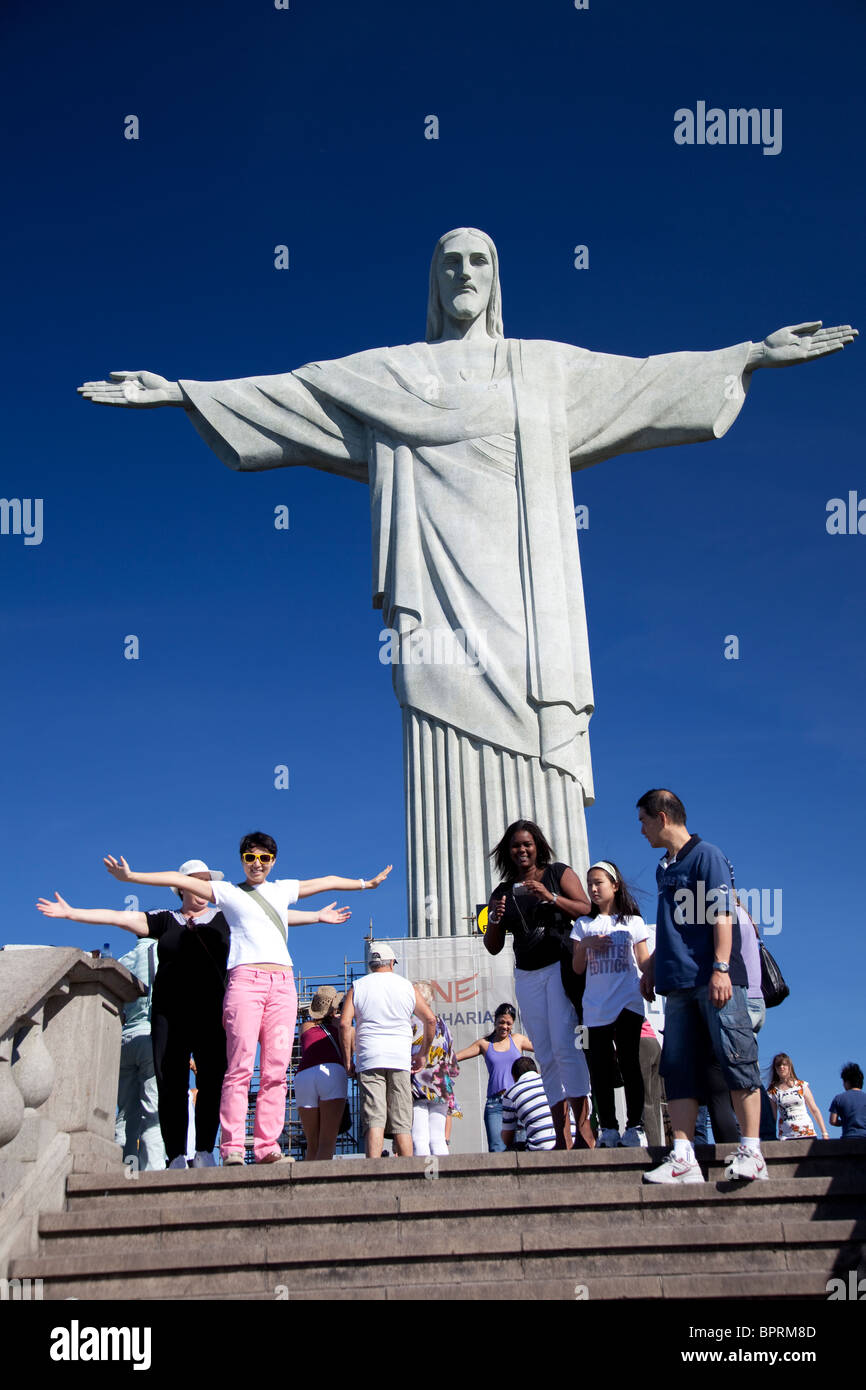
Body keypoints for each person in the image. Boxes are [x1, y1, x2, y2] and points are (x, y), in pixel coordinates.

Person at [77, 230, 855, 941]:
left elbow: (645, 384)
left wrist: (747, 354)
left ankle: (544, 928)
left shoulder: (542, 368)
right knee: (440, 717)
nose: (464, 275)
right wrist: (184, 391)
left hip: (529, 594)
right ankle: (453, 926)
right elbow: (294, 394)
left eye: (479, 260)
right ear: (432, 281)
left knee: (536, 720)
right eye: (449, 262)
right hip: (435, 591)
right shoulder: (394, 375)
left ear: (497, 278)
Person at [103, 836, 391, 1164]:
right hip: (245, 982)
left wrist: (365, 884)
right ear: (241, 859)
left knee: (276, 1071)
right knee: (239, 1068)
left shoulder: (282, 890)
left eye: (265, 857)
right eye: (250, 856)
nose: (257, 862)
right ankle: (232, 1148)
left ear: (273, 861)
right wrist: (132, 877)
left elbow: (323, 882)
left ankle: (267, 1147)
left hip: (282, 983)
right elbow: (175, 878)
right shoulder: (229, 893)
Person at [38, 858, 229, 1170]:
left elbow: (269, 914)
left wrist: (316, 916)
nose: (203, 886)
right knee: (170, 1081)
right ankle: (177, 1155)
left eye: (207, 880)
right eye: (196, 880)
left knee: (212, 1079)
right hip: (170, 1012)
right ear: (180, 888)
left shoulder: (226, 916)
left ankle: (206, 1150)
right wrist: (71, 913)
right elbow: (117, 918)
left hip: (211, 1011)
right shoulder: (165, 919)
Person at [636, 789, 766, 1183]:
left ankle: (753, 1152)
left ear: (661, 817)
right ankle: (683, 1157)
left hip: (713, 978)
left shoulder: (706, 854)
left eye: (642, 821)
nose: (640, 830)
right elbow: (674, 925)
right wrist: (652, 967)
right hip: (676, 985)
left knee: (736, 1058)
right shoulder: (663, 868)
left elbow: (722, 913)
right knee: (677, 1069)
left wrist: (722, 967)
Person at [484, 820, 594, 1150]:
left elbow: (588, 909)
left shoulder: (557, 873)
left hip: (560, 967)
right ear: (508, 851)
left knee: (565, 1046)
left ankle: (584, 1131)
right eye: (516, 845)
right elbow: (492, 945)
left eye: (527, 844)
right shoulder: (502, 892)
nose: (522, 850)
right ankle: (561, 1135)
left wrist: (551, 897)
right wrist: (494, 920)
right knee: (544, 1052)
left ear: (538, 846)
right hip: (527, 974)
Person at [571, 860, 649, 1147]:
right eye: (589, 883)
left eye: (599, 882)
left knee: (630, 1063)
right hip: (594, 1007)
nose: (593, 888)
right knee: (600, 1069)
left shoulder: (632, 921)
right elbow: (577, 968)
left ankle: (635, 1126)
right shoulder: (583, 925)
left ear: (614, 885)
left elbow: (643, 959)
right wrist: (587, 945)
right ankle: (609, 1128)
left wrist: (651, 976)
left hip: (628, 1001)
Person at [340, 943, 436, 1158]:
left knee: (374, 1118)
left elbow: (345, 1024)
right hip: (400, 1059)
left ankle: (372, 1172)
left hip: (369, 1057)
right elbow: (430, 1019)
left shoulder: (358, 986)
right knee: (402, 1121)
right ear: (392, 963)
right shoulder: (406, 987)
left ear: (371, 963)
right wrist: (422, 1054)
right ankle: (409, 1173)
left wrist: (348, 1060)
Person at [113, 936, 165, 1171]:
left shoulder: (124, 960)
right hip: (150, 1036)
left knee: (125, 1113)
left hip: (123, 1039)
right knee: (152, 1110)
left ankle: (123, 1169)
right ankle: (153, 1171)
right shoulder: (160, 953)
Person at [455, 1003, 534, 1154]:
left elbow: (543, 1048)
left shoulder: (518, 1040)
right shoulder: (485, 1044)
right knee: (498, 1150)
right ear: (495, 1021)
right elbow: (457, 1057)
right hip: (495, 1104)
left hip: (517, 1100)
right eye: (501, 1022)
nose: (505, 1026)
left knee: (522, 1148)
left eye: (509, 1023)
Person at [295, 986, 349, 1161]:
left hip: (303, 1075)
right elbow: (348, 1051)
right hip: (331, 1072)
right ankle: (321, 1187)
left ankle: (305, 1185)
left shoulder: (305, 1027)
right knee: (327, 1142)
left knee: (313, 1143)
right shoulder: (341, 1027)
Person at [410, 980, 459, 1157]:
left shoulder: (410, 1023)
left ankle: (424, 1180)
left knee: (419, 1138)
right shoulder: (443, 1026)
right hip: (441, 1085)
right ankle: (443, 1178)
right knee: (438, 1138)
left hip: (417, 1086)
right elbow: (452, 1064)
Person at [767, 1054, 828, 1140]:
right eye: (778, 1065)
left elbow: (814, 1109)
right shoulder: (773, 1091)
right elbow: (773, 1116)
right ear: (775, 1069)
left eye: (784, 1065)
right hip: (786, 1135)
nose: (782, 1067)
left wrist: (824, 1132)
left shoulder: (801, 1085)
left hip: (807, 1133)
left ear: (789, 1066)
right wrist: (771, 1136)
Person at [501, 1058, 558, 1151]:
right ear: (537, 1071)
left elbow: (507, 1138)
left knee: (511, 1149)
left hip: (541, 1149)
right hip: (569, 1141)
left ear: (514, 1078)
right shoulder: (551, 1081)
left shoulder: (512, 1092)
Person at [829, 1063, 866, 1140]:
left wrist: (845, 1122)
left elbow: (833, 1121)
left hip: (847, 1139)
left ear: (847, 1082)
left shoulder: (839, 1098)